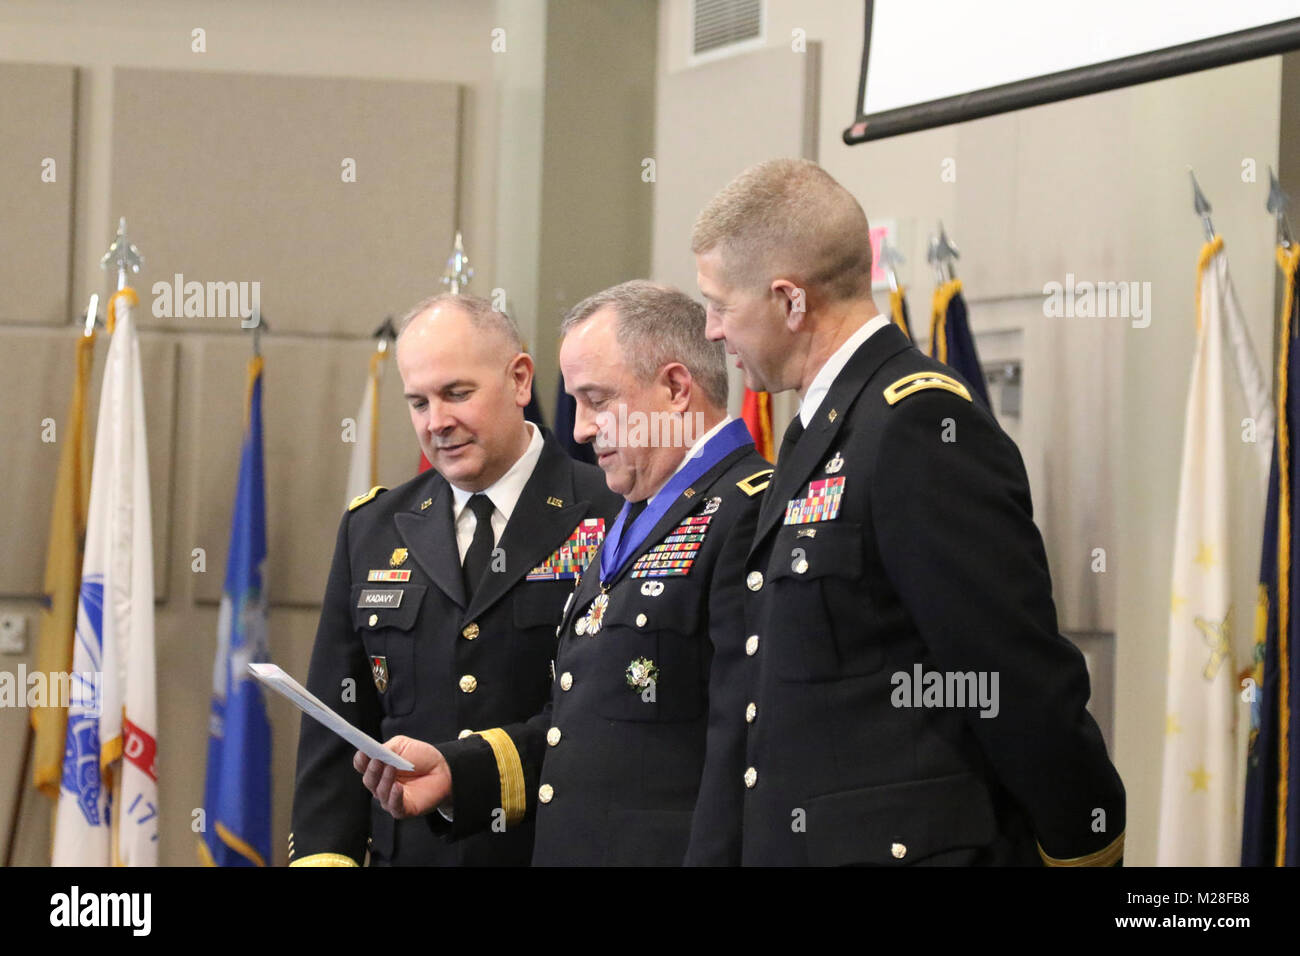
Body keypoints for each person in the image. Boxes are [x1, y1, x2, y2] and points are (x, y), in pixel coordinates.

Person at [691, 158, 1126, 866]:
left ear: (789, 301)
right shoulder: (821, 429)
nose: (711, 330)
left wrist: (1087, 840)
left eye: (719, 304)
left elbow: (1007, 671)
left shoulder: (915, 425)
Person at [353, 281, 771, 865]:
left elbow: (748, 752)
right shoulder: (643, 517)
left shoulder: (747, 513)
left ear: (676, 388)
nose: (578, 428)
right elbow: (583, 726)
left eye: (597, 400)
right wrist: (459, 771)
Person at [289, 293, 620, 866]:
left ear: (520, 381)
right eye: (418, 403)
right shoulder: (372, 528)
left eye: (456, 394)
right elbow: (337, 728)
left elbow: (610, 717)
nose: (436, 421)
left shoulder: (612, 511)